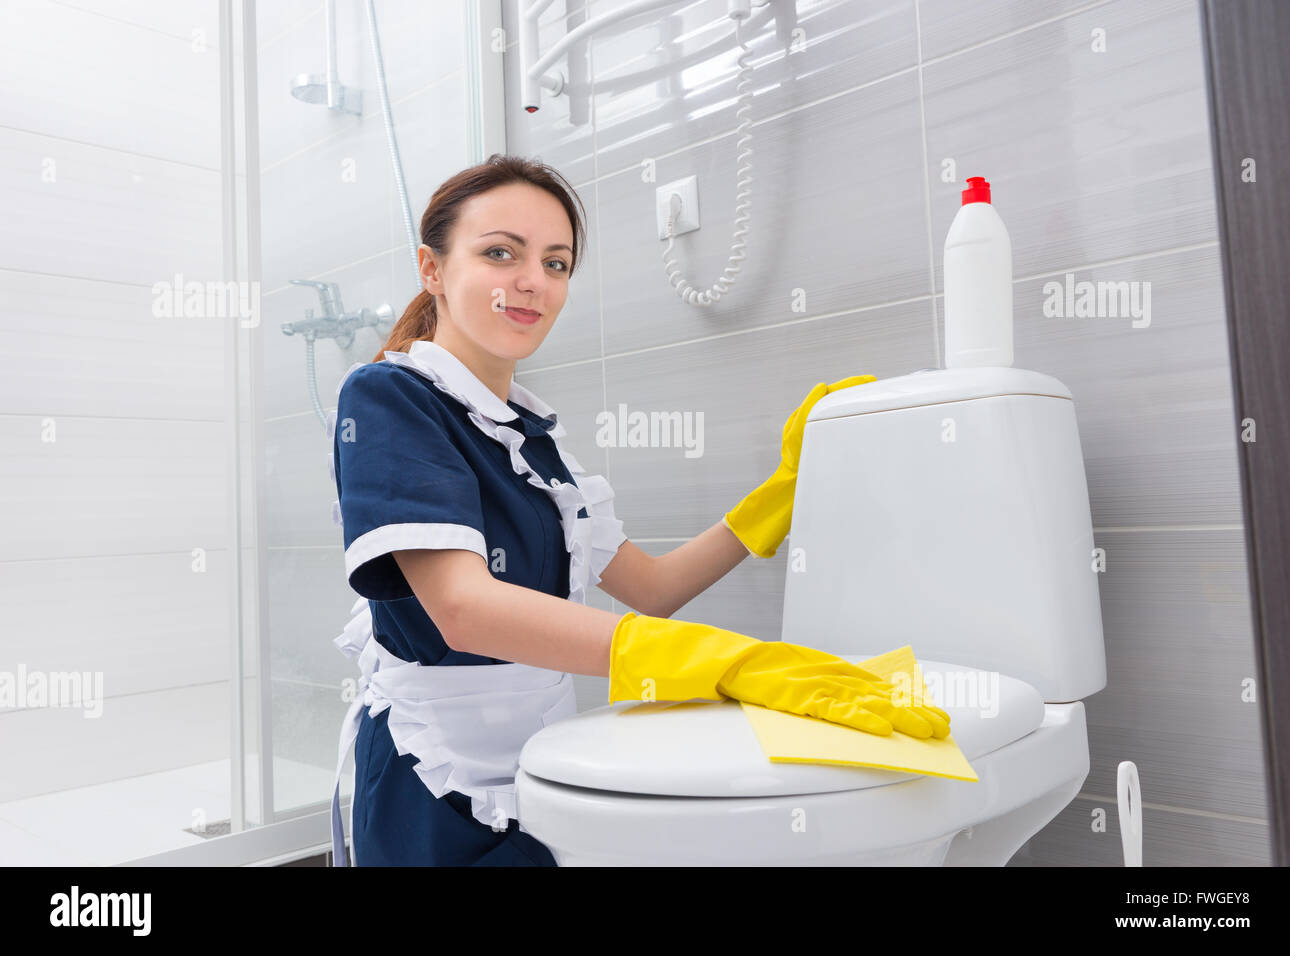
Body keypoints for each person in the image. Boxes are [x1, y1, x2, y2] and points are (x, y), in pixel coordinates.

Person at [328, 154, 950, 867]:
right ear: (432, 269)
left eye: (556, 263)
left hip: (542, 773)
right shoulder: (389, 398)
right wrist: (724, 661)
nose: (532, 281)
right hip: (432, 785)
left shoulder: (535, 443)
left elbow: (651, 590)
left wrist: (775, 497)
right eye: (500, 252)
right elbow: (462, 607)